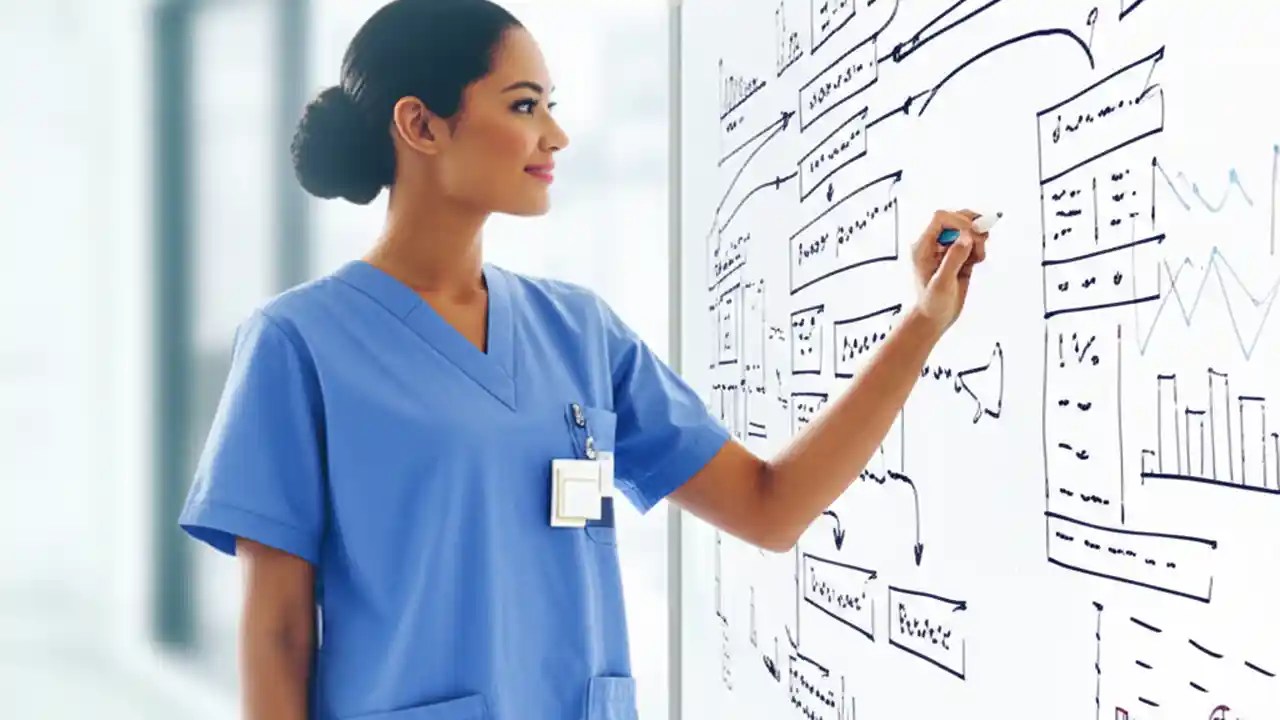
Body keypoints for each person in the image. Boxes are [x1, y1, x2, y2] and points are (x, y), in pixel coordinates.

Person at [176, 0, 991, 718]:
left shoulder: (580, 332)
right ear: (420, 125)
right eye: (524, 105)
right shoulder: (300, 344)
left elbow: (771, 508)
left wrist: (922, 324)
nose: (555, 136)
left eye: (550, 106)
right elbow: (278, 635)